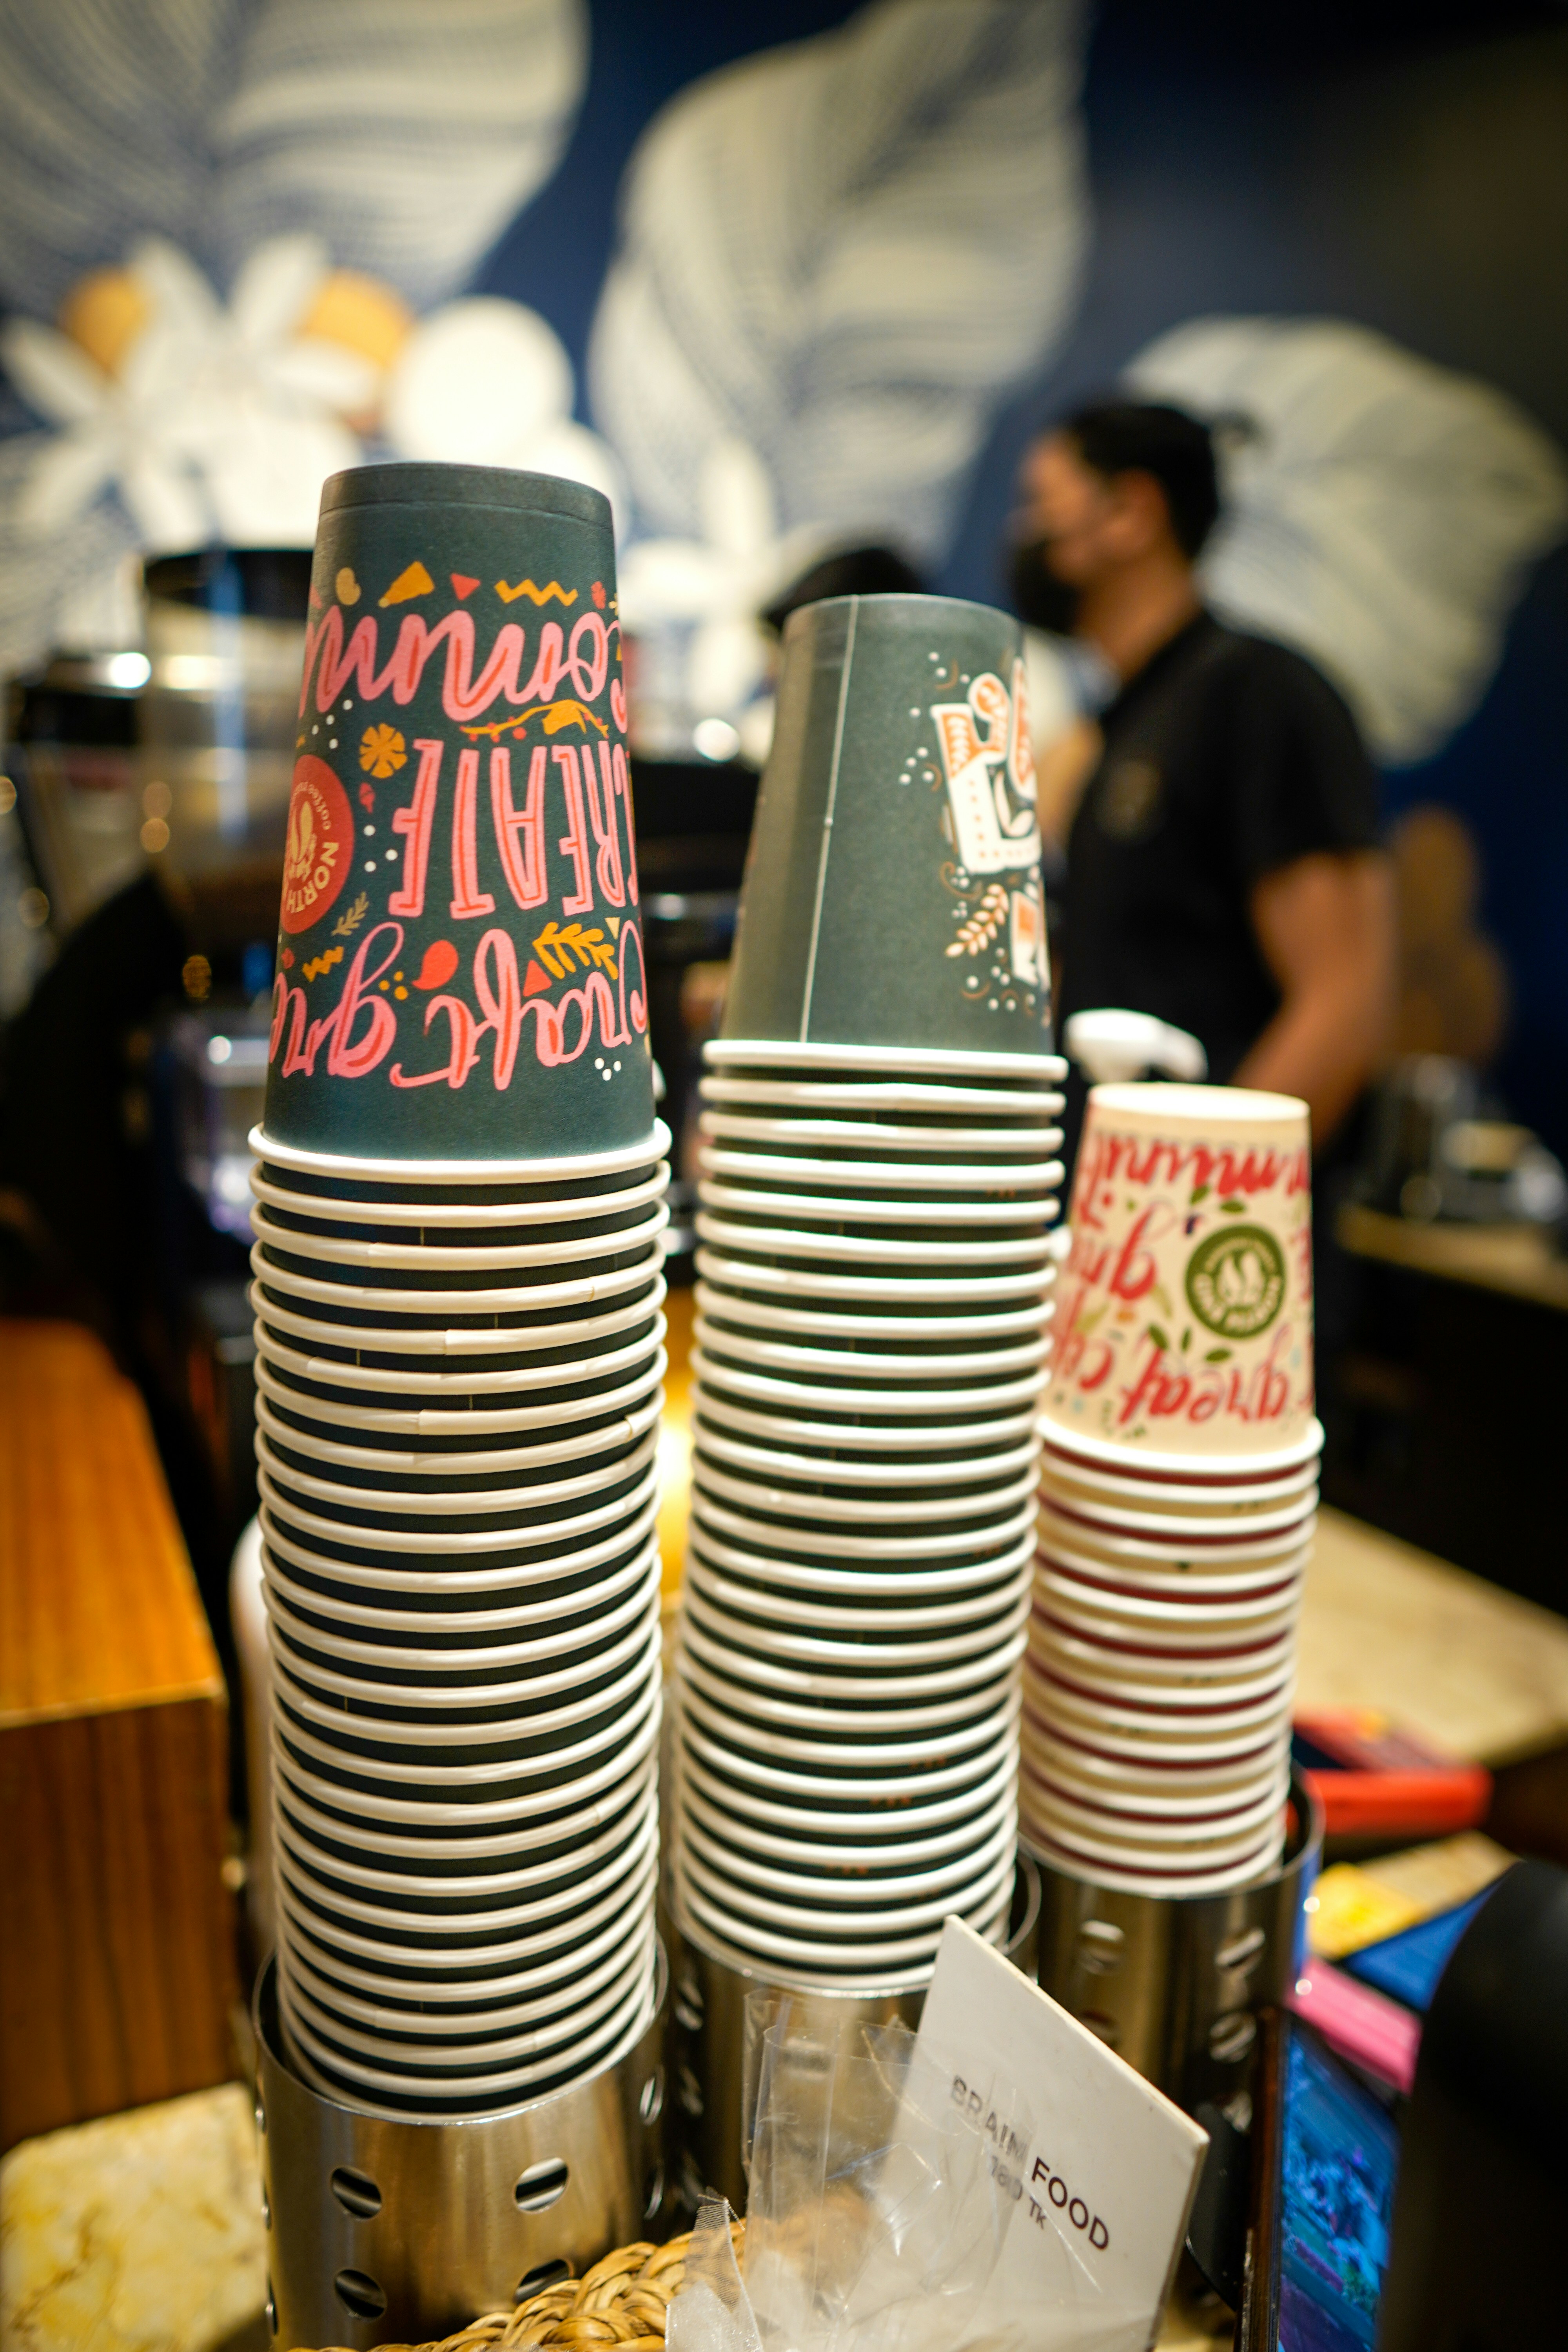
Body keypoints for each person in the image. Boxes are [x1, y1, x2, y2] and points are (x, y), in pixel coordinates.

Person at [1009, 399, 1395, 1151]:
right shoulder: (1120, 726)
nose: (1024, 534)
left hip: (1216, 1246)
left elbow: (1344, 1005)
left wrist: (1194, 1206)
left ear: (1130, 512)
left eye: (1040, 505)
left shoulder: (1260, 695)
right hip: (1114, 1220)